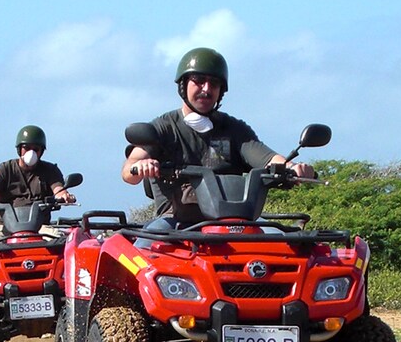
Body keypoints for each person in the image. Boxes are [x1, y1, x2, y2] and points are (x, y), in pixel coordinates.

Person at [121, 47, 316, 227]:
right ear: (183, 84)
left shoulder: (235, 129)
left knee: (285, 244)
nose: (206, 89)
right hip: (174, 225)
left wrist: (293, 168)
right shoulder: (163, 127)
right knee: (142, 253)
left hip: (234, 224)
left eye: (214, 83)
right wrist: (142, 166)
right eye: (198, 80)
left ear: (221, 91)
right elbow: (129, 171)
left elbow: (269, 159)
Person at [0, 126, 75, 208]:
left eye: (35, 149)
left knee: (54, 230)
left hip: (40, 226)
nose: (31, 152)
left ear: (41, 152)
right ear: (19, 149)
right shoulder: (5, 169)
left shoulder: (50, 170)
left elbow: (58, 190)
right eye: (26, 148)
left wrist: (64, 195)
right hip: (4, 224)